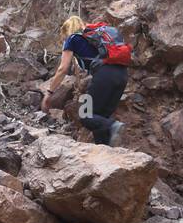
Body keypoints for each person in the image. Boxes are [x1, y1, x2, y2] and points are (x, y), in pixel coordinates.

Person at [41, 15, 127, 146]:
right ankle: (105, 152)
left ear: (66, 32)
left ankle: (113, 125)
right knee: (99, 118)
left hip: (104, 75)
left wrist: (49, 93)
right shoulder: (96, 38)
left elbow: (63, 69)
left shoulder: (72, 39)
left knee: (85, 114)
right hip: (122, 75)